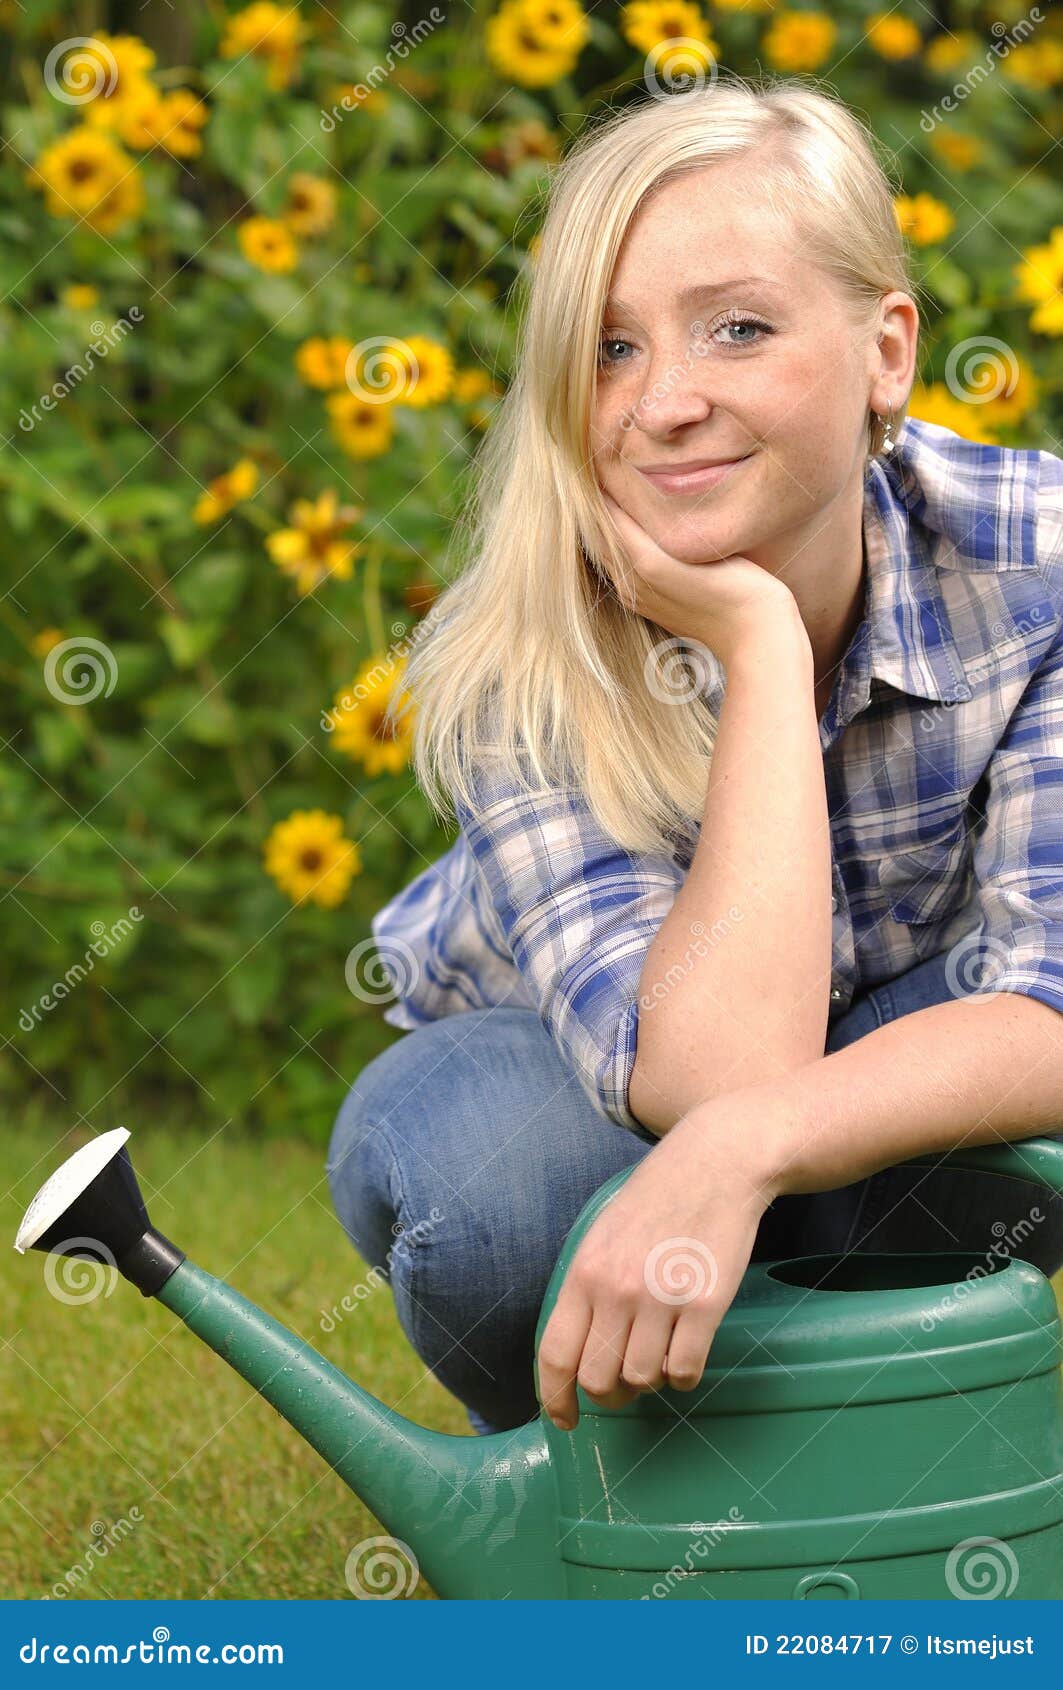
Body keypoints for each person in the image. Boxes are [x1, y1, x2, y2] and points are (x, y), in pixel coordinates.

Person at [326, 76, 1063, 1439]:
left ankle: (869, 1429)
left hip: (888, 1053)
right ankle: (636, 1484)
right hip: (585, 1081)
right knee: (485, 1195)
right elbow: (717, 1068)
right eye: (610, 350)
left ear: (887, 351)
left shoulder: (1038, 570)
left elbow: (1055, 1002)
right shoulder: (525, 647)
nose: (664, 403)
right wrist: (764, 644)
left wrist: (753, 1143)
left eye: (737, 328)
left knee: (1010, 1137)